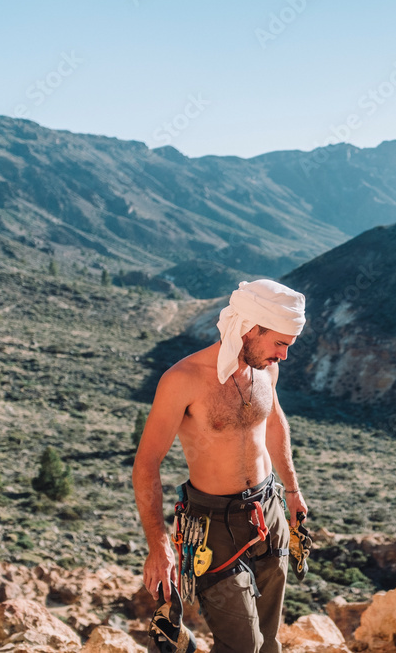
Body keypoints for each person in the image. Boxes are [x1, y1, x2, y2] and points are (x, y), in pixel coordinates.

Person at [133, 279, 308, 653]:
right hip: (212, 526)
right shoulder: (183, 379)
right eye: (279, 343)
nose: (284, 355)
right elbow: (146, 464)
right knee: (243, 645)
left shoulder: (266, 369)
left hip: (269, 510)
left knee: (269, 641)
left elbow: (274, 424)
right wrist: (158, 544)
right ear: (250, 328)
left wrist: (292, 491)